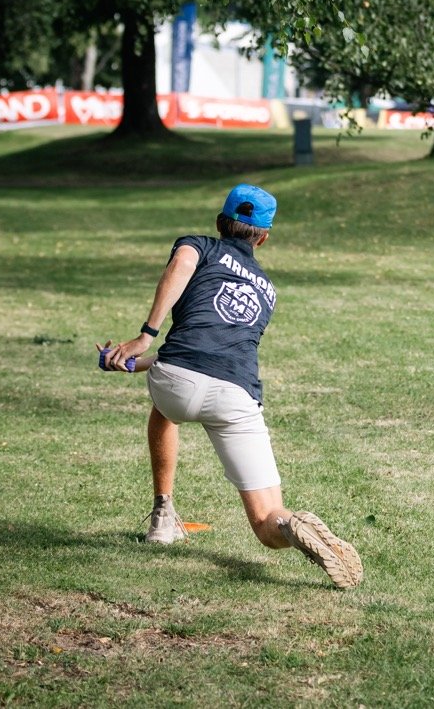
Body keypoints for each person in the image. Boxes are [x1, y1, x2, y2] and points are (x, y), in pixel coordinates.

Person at [97, 183, 362, 589]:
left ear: (220, 222)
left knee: (165, 411)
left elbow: (182, 269)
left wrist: (144, 338)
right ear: (264, 237)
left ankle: (162, 517)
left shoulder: (198, 245)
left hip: (175, 381)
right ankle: (290, 525)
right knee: (265, 522)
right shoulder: (268, 291)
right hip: (236, 395)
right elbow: (215, 351)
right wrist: (133, 361)